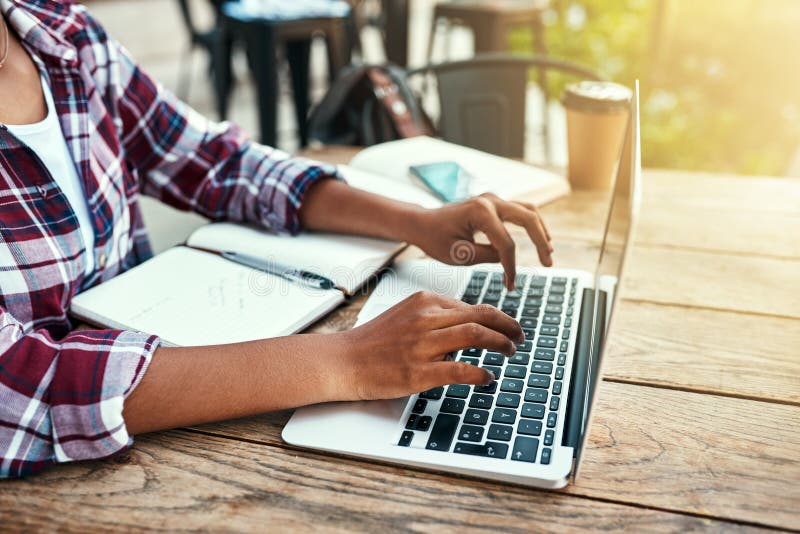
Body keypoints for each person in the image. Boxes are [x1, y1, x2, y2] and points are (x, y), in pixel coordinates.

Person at [0, 0, 553, 478]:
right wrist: (347, 361)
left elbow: (218, 162)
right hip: (72, 479)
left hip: (179, 393)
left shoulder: (63, 35)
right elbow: (18, 389)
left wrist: (416, 221)